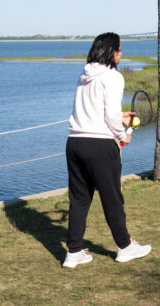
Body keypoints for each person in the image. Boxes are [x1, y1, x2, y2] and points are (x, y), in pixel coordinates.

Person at [62, 32, 151, 268]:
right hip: (100, 146)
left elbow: (94, 111)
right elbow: (110, 116)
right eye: (119, 49)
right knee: (112, 198)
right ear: (111, 52)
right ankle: (125, 247)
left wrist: (120, 117)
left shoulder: (84, 76)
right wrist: (122, 135)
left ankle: (73, 252)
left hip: (75, 143)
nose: (121, 53)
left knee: (79, 199)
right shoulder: (113, 77)